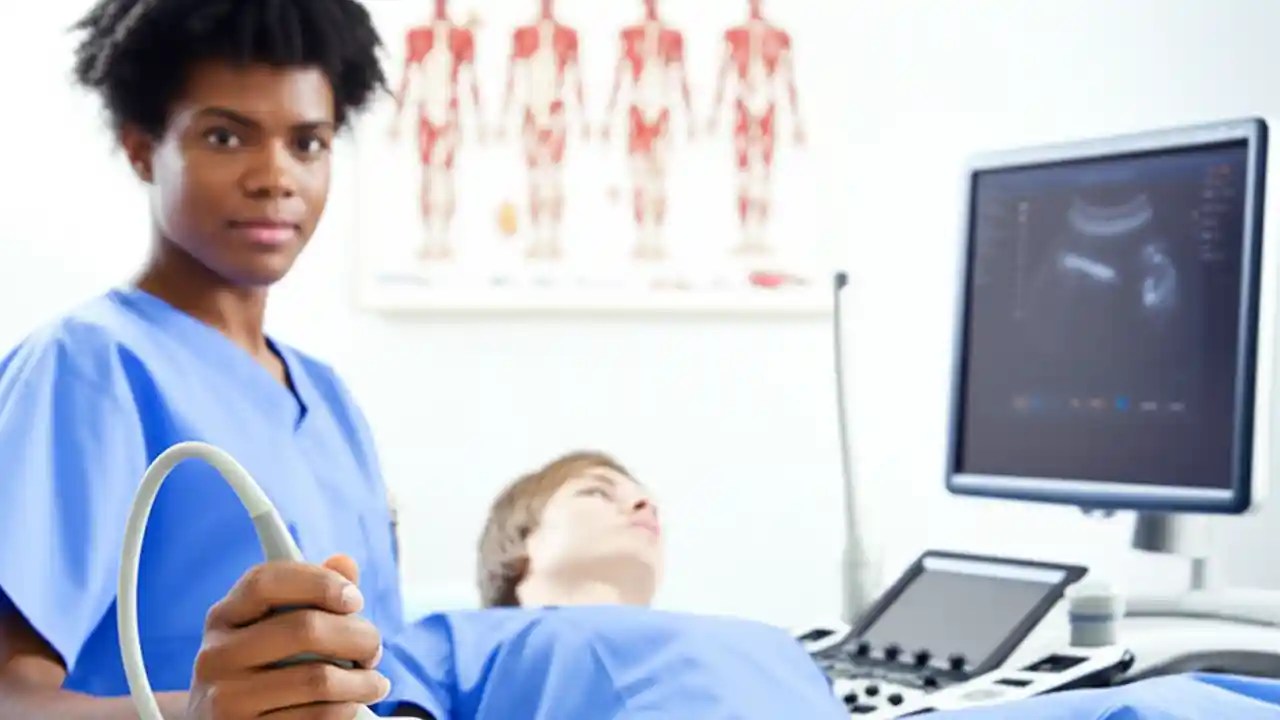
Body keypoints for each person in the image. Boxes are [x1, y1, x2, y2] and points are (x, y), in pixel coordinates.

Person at [0, 0, 420, 717]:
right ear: (141, 147)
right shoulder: (87, 368)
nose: (275, 176)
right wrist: (194, 715)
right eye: (226, 137)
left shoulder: (330, 401)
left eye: (308, 144)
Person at [378, 451, 849, 719]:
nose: (643, 504)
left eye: (647, 501)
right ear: (522, 542)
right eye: (598, 492)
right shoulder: (457, 640)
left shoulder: (774, 645)